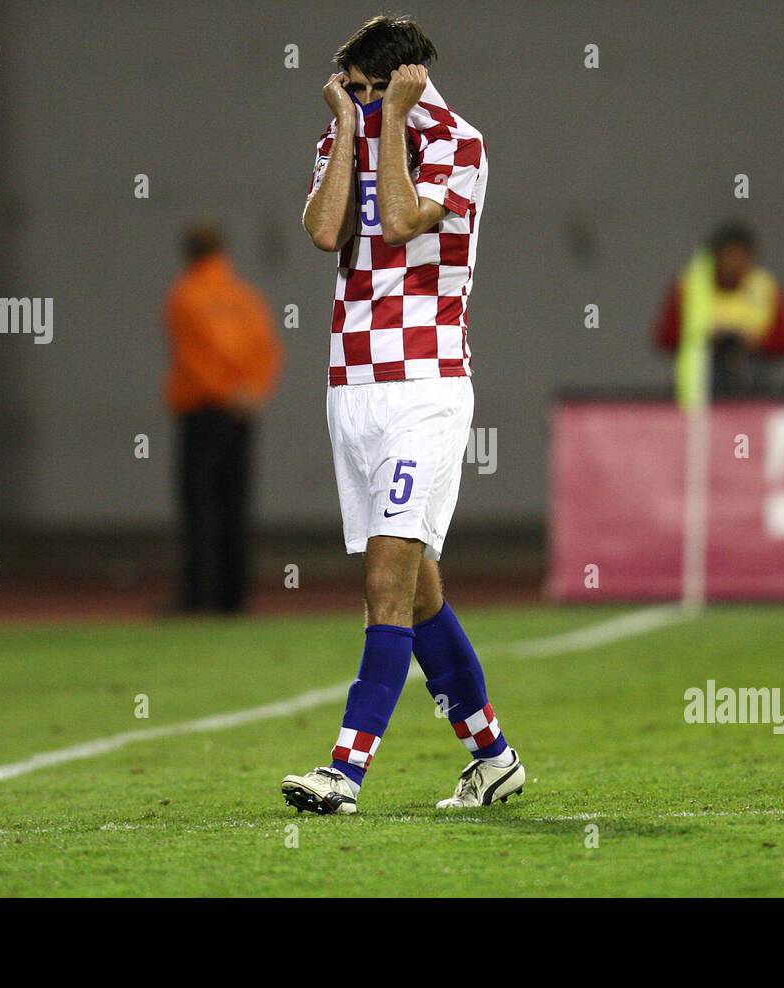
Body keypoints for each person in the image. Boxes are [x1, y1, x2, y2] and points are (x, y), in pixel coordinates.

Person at [281, 15, 524, 814]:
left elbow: (403, 216)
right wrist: (353, 124)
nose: (343, 100)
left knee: (384, 581)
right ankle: (492, 757)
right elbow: (326, 231)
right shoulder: (344, 135)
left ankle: (344, 771)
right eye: (345, 90)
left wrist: (384, 119)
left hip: (425, 386)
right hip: (350, 388)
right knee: (417, 593)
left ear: (405, 80)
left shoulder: (460, 141)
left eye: (358, 86)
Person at [164, 223, 281, 614]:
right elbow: (267, 349)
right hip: (242, 413)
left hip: (203, 412)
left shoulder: (185, 296)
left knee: (200, 505)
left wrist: (223, 393)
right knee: (236, 503)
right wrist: (251, 392)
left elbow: (193, 358)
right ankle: (235, 598)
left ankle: (200, 598)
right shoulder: (246, 297)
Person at [653, 221, 784, 396]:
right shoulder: (690, 286)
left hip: (753, 382)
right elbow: (665, 338)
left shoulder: (765, 287)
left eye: (741, 257)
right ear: (715, 257)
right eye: (728, 256)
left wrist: (752, 342)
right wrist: (707, 338)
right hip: (698, 385)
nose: (733, 264)